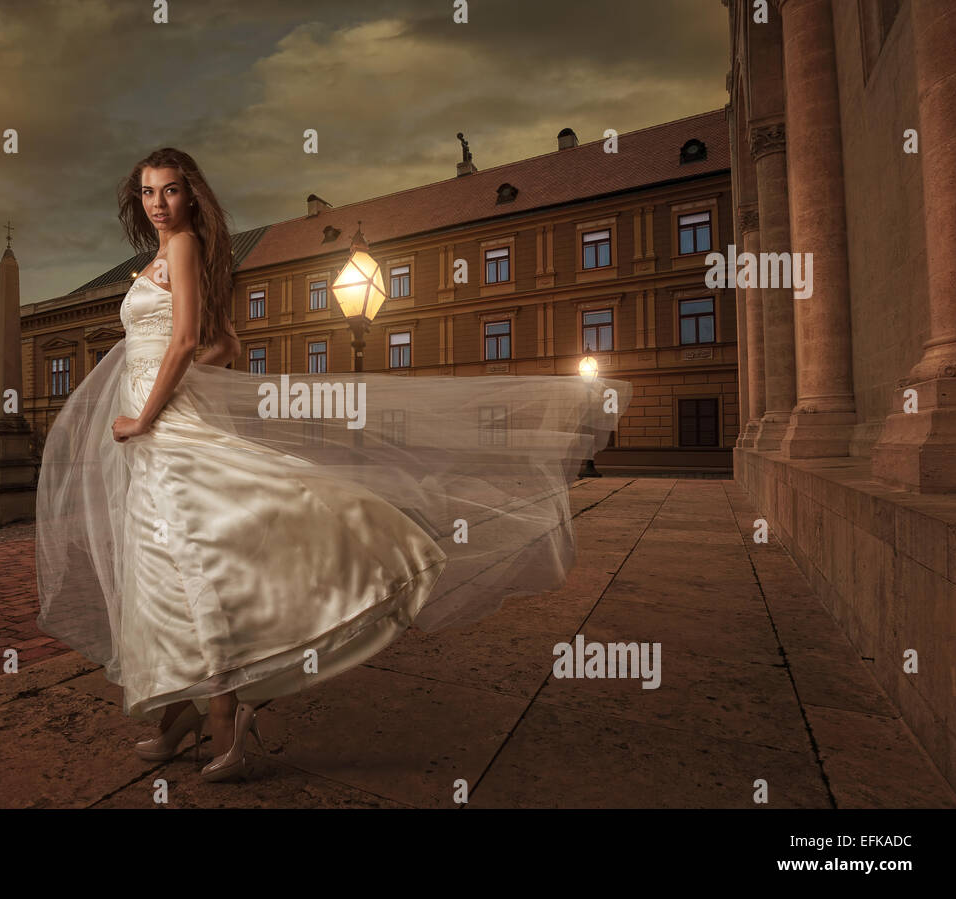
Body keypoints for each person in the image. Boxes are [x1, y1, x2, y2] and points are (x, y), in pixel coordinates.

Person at [36, 148, 630, 783]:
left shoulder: (182, 248)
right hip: (156, 431)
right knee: (157, 567)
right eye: (149, 192)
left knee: (193, 559)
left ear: (190, 196)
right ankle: (178, 711)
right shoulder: (158, 258)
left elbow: (186, 341)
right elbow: (225, 346)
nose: (159, 203)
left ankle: (224, 721)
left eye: (172, 191)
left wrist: (152, 410)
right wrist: (178, 390)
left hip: (163, 432)